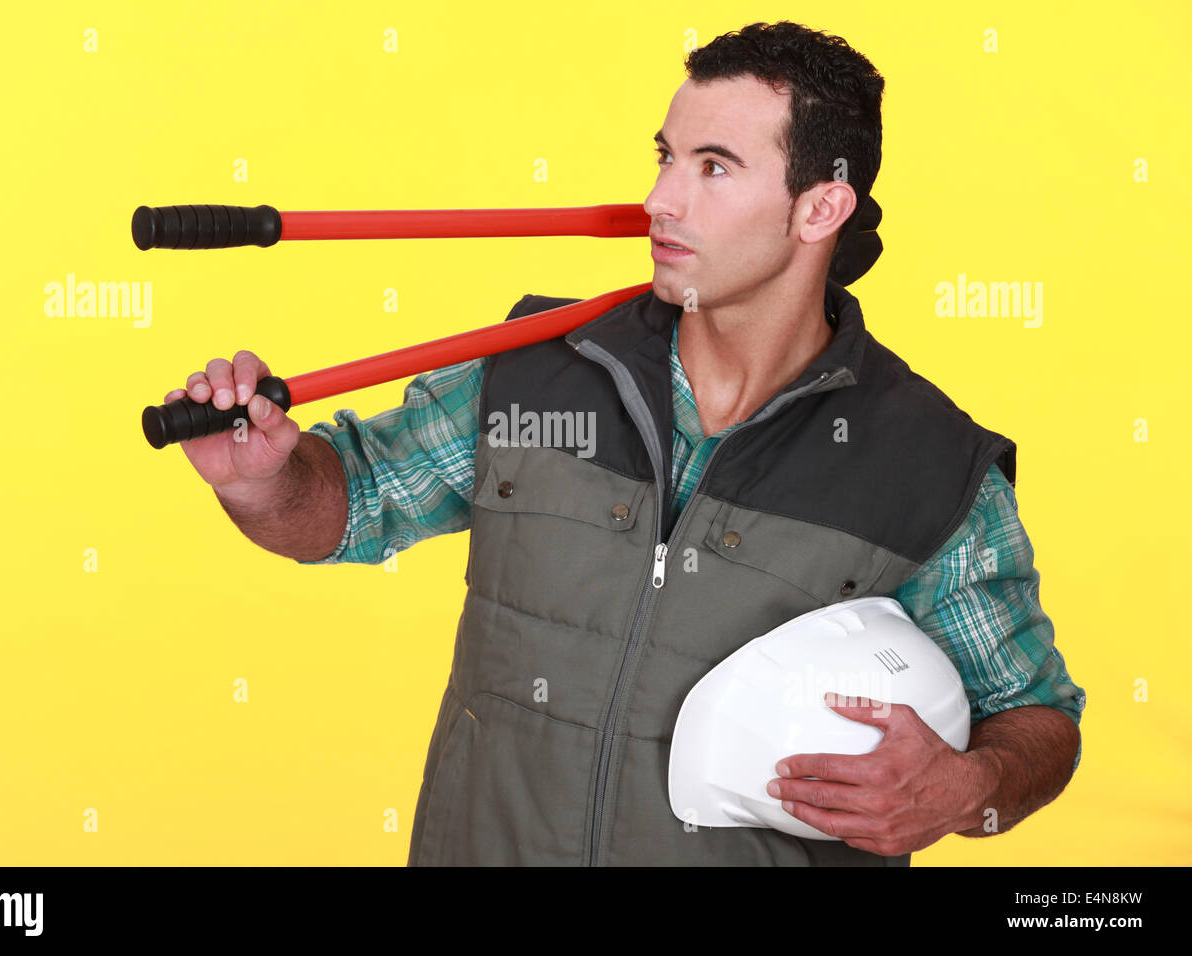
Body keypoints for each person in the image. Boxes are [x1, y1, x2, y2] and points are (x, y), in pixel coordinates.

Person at [162, 21, 1084, 865]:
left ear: (820, 209)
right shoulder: (532, 369)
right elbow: (348, 507)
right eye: (665, 157)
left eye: (714, 168)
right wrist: (262, 479)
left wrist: (973, 790)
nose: (660, 200)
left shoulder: (926, 463)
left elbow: (1037, 717)